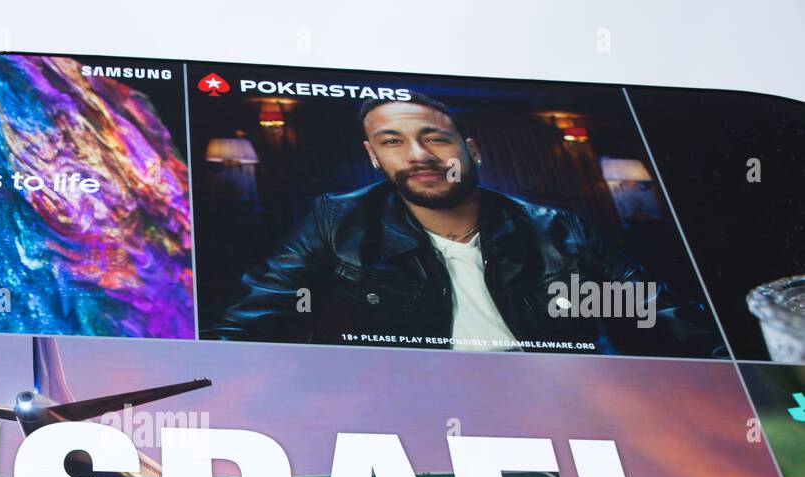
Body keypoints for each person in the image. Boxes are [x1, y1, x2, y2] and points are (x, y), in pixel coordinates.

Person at [203, 93, 722, 356]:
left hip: (553, 406)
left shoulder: (556, 231)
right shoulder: (337, 222)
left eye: (436, 138)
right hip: (401, 413)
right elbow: (248, 325)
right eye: (392, 142)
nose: (418, 156)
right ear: (374, 159)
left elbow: (663, 317)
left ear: (471, 150)